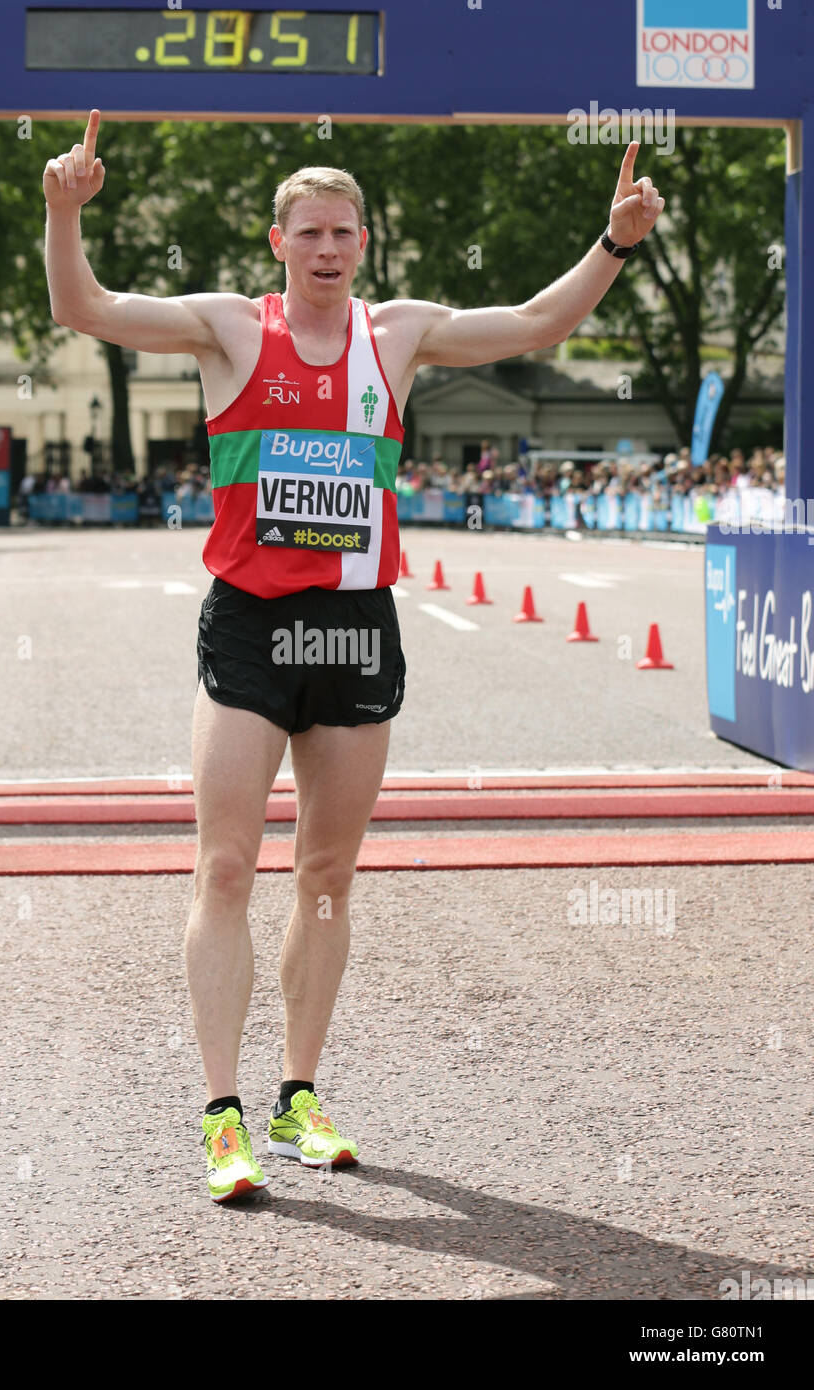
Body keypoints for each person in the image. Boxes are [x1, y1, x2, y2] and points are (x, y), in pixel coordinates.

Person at [43, 110, 665, 1203]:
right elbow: (83, 307)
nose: (328, 249)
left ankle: (298, 1096)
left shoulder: (402, 335)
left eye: (344, 232)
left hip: (352, 626)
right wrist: (62, 215)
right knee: (226, 865)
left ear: (363, 244)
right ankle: (222, 1113)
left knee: (325, 876)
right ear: (277, 243)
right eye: (309, 233)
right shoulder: (230, 329)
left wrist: (611, 244)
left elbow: (529, 323)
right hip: (248, 622)